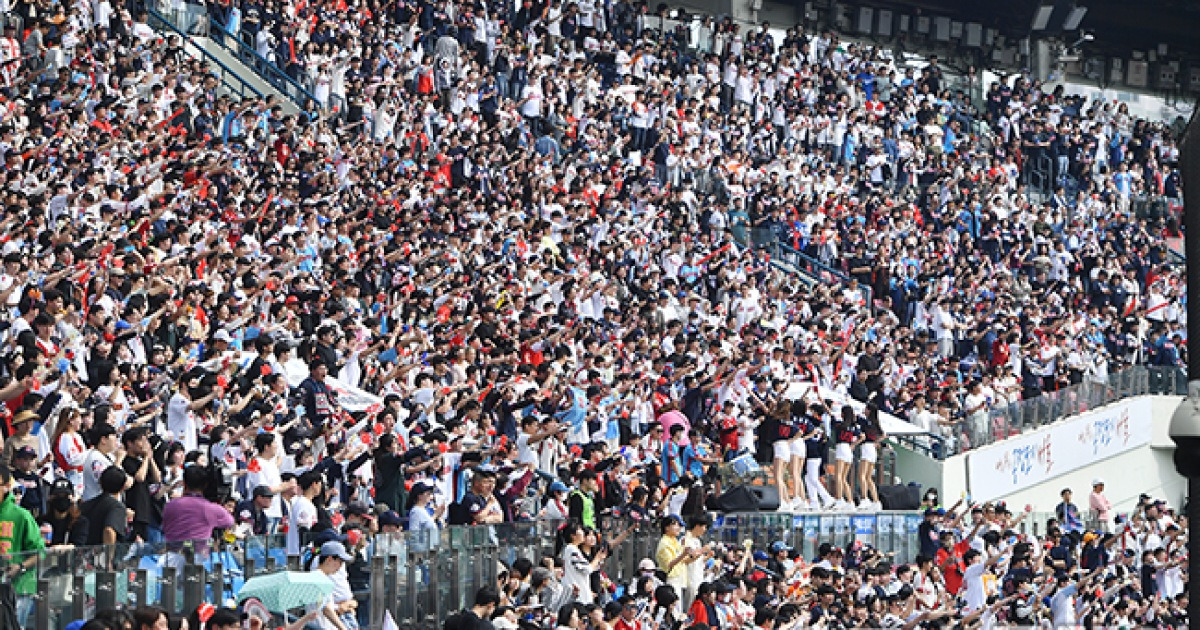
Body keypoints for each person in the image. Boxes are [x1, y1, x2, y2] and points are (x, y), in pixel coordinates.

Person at [0, 464, 45, 624]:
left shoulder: (21, 516)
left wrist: (21, 566)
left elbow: (40, 553)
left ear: (6, 486)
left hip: (17, 588)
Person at [161, 465, 235, 544]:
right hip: (199, 554)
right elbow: (229, 522)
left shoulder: (170, 505)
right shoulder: (211, 508)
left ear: (184, 483)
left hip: (173, 553)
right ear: (206, 485)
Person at [81, 466, 129, 545]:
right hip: (100, 554)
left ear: (100, 482)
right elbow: (109, 530)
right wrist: (108, 555)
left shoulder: (86, 505)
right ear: (122, 488)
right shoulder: (117, 507)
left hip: (84, 553)